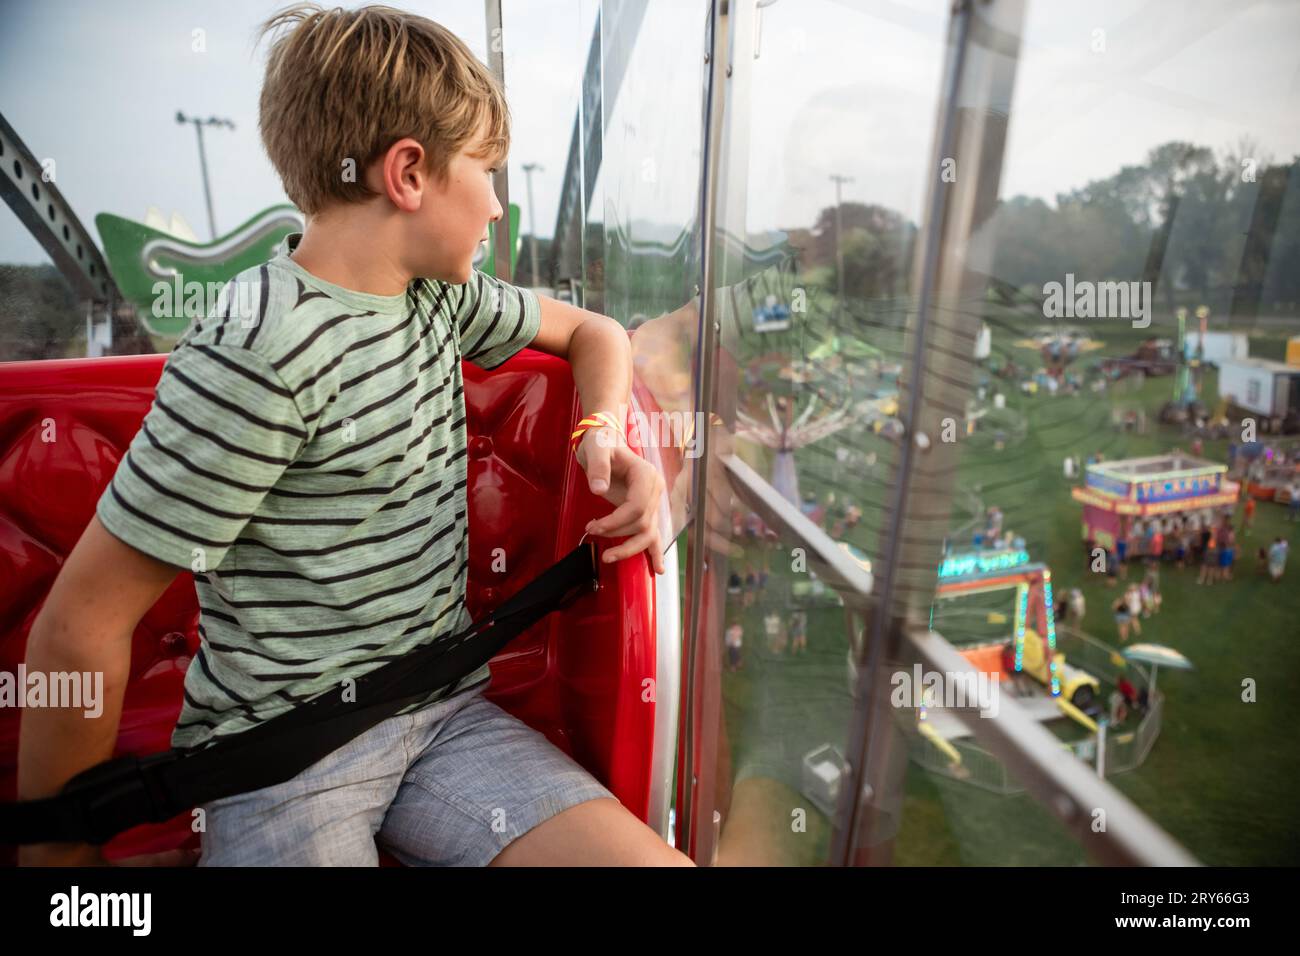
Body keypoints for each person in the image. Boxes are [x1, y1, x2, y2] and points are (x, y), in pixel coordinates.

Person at [18, 5, 685, 869]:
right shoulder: (262, 351)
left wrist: (600, 435)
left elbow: (599, 332)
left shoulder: (436, 297)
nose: (495, 205)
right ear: (408, 173)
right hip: (287, 760)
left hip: (441, 717)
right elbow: (76, 630)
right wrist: (58, 877)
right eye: (486, 170)